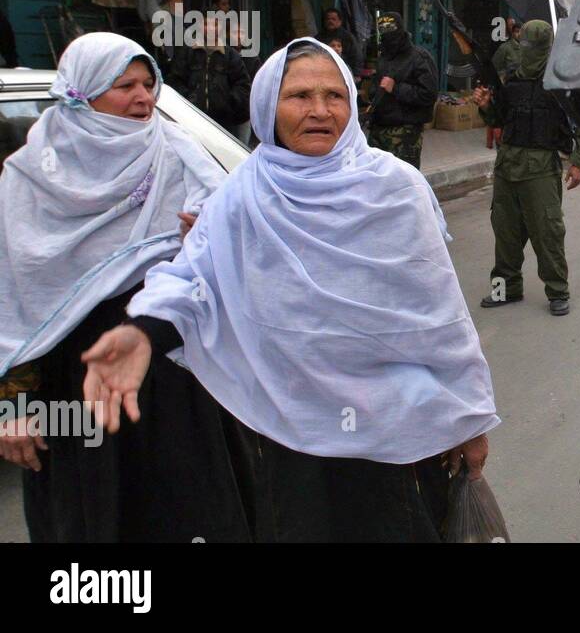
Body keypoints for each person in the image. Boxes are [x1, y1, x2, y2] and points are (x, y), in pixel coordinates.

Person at [81, 38, 498, 542]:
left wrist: (470, 417)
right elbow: (191, 278)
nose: (320, 110)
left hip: (400, 428)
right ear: (266, 107)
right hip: (291, 430)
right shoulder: (242, 195)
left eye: (335, 95)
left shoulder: (396, 188)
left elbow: (442, 316)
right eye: (299, 96)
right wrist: (143, 333)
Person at [0, 33, 238, 542]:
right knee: (95, 520)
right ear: (81, 93)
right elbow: (13, 299)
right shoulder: (27, 180)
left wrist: (209, 243)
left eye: (149, 84)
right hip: (73, 382)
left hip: (172, 373)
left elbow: (234, 257)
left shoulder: (177, 156)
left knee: (185, 509)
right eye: (124, 85)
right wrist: (12, 405)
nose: (144, 97)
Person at [473, 20, 580, 316]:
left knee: (547, 232)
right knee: (505, 233)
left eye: (533, 46)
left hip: (540, 168)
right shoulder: (511, 82)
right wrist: (486, 105)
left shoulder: (561, 83)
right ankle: (506, 289)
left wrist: (577, 163)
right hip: (507, 166)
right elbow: (497, 120)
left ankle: (557, 293)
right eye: (523, 44)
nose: (526, 51)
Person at [368, 11, 438, 169]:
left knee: (403, 183)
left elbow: (429, 94)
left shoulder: (419, 57)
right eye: (383, 30)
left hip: (405, 133)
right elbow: (377, 87)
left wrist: (397, 88)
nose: (388, 35)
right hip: (378, 129)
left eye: (391, 29)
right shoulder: (384, 58)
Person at [165, 15, 254, 135]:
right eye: (206, 24)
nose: (211, 29)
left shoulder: (231, 55)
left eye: (216, 24)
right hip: (191, 122)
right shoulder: (186, 52)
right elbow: (174, 81)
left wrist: (227, 104)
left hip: (224, 125)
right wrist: (189, 100)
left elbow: (242, 85)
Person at [488, 18, 523, 149]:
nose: (519, 35)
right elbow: (494, 66)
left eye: (521, 32)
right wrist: (503, 77)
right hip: (508, 89)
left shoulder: (528, 49)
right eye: (517, 32)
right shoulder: (506, 48)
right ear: (512, 33)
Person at [316, 7, 363, 80]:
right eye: (328, 19)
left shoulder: (347, 37)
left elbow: (356, 55)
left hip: (344, 72)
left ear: (340, 21)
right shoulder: (319, 37)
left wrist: (357, 74)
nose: (330, 21)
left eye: (333, 19)